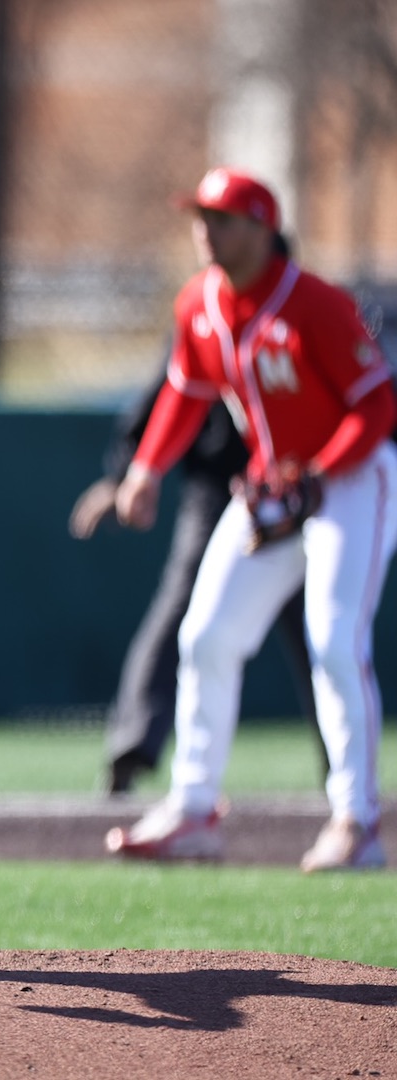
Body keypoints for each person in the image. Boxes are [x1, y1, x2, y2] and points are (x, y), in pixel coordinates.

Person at [105, 166, 397, 871]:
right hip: (275, 486)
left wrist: (321, 472)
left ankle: (357, 822)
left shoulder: (314, 303)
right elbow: (184, 394)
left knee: (333, 641)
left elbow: (377, 407)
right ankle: (195, 811)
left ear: (263, 228)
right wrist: (145, 470)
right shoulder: (200, 301)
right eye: (200, 217)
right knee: (205, 633)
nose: (206, 231)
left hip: (353, 479)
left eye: (222, 219)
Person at [70, 357, 324, 796]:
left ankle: (346, 774)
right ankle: (132, 750)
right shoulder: (208, 306)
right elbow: (173, 390)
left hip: (293, 486)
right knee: (185, 612)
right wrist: (127, 473)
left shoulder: (294, 305)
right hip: (217, 485)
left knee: (322, 629)